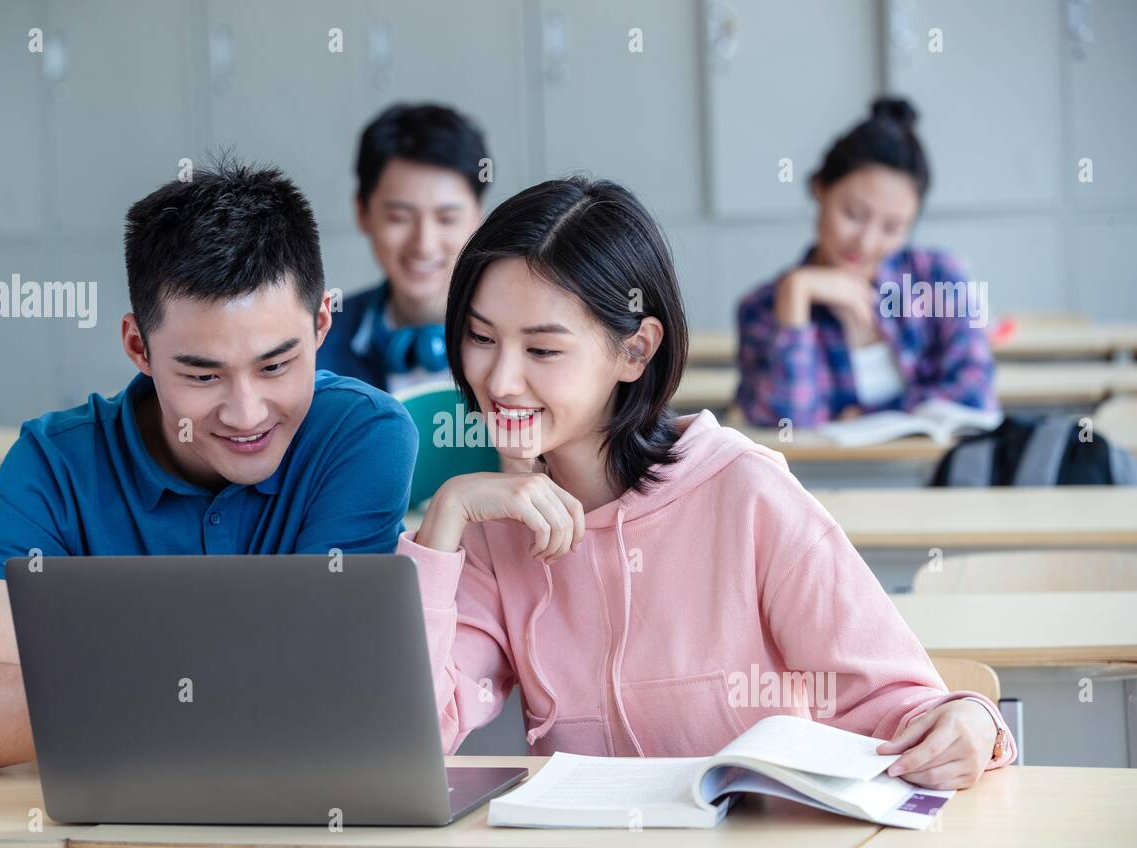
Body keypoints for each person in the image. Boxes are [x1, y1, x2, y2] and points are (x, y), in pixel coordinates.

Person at [398, 176, 1015, 790]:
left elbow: (902, 704)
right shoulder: (494, 529)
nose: (501, 380)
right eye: (481, 338)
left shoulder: (745, 495)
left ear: (635, 351)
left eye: (542, 350)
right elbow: (412, 739)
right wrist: (446, 518)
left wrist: (970, 721)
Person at [0, 160, 417, 771]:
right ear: (138, 347)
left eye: (276, 366)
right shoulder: (52, 465)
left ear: (321, 324)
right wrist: (235, 667)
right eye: (202, 375)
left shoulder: (362, 435)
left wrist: (88, 680)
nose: (246, 413)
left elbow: (318, 692)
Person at [735, 98, 998, 427]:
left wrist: (864, 416)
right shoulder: (762, 308)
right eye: (854, 215)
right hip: (812, 479)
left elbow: (976, 395)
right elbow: (785, 424)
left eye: (892, 228)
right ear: (820, 188)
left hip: (934, 475)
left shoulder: (940, 278)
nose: (867, 242)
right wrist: (796, 294)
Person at [317, 103, 488, 394]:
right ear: (362, 212)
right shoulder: (317, 340)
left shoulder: (521, 344)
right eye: (399, 218)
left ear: (477, 218)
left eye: (447, 218)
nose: (424, 245)